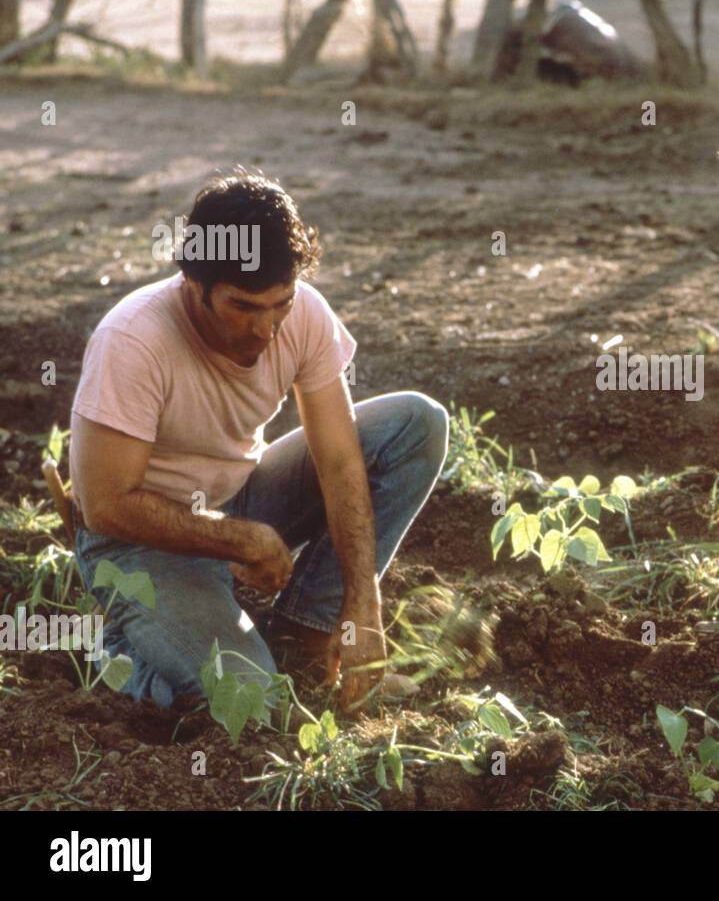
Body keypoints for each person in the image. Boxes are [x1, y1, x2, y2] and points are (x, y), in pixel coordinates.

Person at [69, 168, 452, 710]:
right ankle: (121, 650)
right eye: (243, 307)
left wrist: (363, 605)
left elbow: (340, 461)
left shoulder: (304, 315)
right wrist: (242, 540)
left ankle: (306, 634)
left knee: (417, 424)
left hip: (242, 496)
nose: (265, 330)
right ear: (193, 284)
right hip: (140, 542)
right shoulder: (132, 341)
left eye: (281, 304)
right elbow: (106, 506)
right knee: (252, 703)